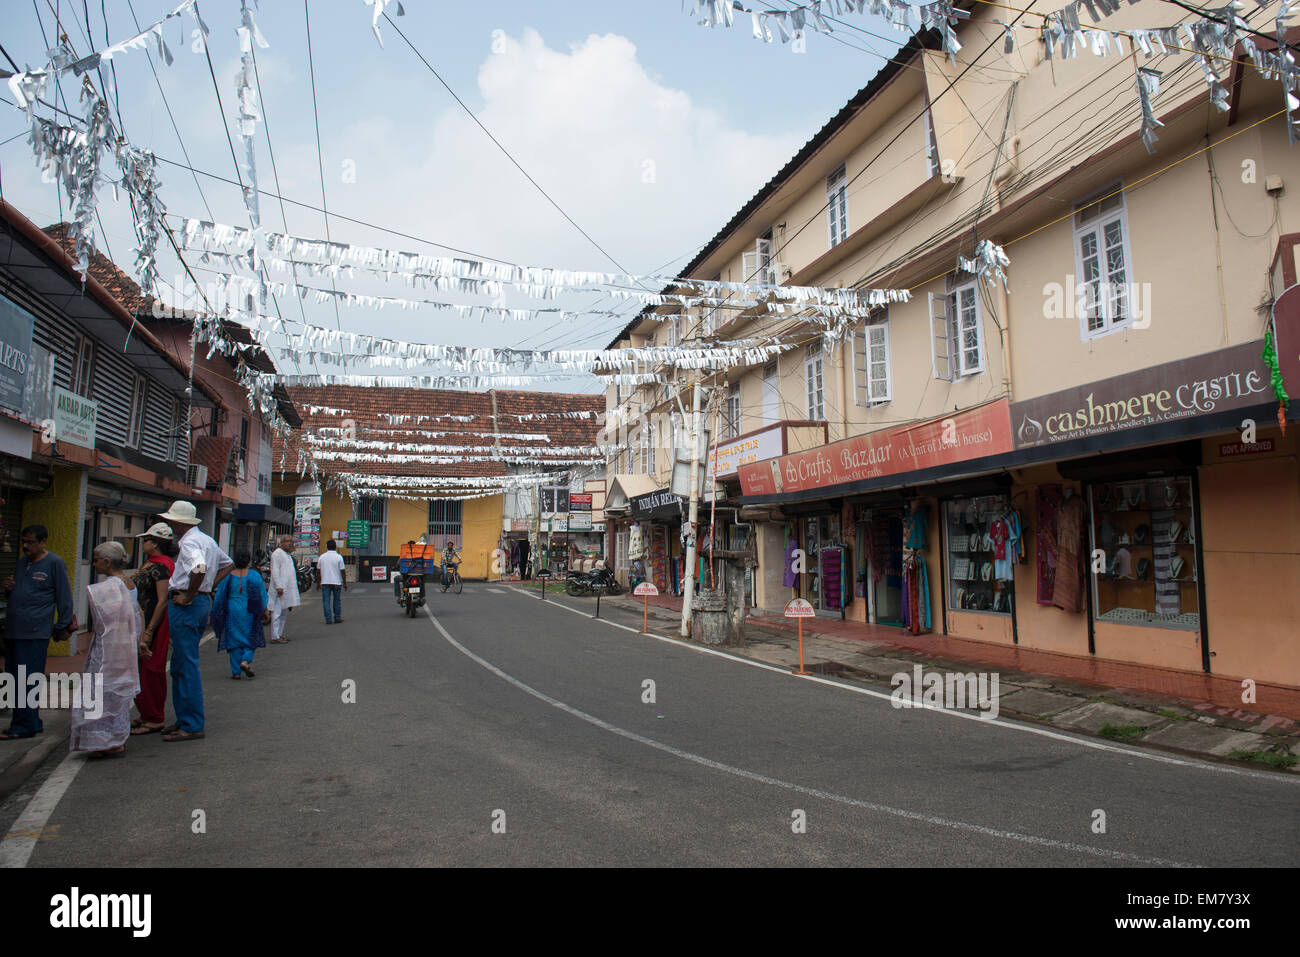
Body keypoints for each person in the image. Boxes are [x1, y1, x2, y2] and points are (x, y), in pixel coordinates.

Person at [161, 500, 232, 743]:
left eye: (171, 520)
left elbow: (199, 567)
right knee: (181, 663)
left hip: (188, 604)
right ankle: (185, 719)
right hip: (200, 602)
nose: (169, 523)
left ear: (180, 522)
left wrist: (190, 594)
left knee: (186, 664)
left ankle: (191, 723)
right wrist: (207, 587)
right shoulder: (206, 540)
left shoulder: (190, 542)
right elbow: (227, 563)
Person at [1, 525, 75, 740]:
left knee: (27, 680)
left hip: (34, 632)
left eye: (31, 542)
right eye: (24, 541)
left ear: (43, 542)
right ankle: (30, 721)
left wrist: (62, 626)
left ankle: (23, 726)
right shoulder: (22, 563)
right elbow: (18, 593)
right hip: (14, 629)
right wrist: (8, 589)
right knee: (14, 679)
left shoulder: (54, 563)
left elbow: (64, 597)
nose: (26, 546)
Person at [70, 542, 141, 759]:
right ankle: (115, 740)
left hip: (108, 647)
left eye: (96, 558)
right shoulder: (129, 583)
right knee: (115, 694)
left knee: (99, 691)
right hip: (125, 646)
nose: (94, 563)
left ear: (107, 562)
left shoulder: (108, 587)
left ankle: (98, 742)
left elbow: (103, 622)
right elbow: (137, 613)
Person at [130, 524, 177, 735]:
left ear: (156, 543)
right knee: (140, 670)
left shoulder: (161, 568)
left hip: (152, 624)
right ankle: (146, 713)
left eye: (146, 539)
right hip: (142, 622)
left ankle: (155, 717)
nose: (143, 543)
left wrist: (149, 631)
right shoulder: (151, 564)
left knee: (150, 671)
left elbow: (161, 601)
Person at [212, 551, 268, 680]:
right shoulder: (254, 575)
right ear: (248, 561)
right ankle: (245, 660)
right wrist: (264, 610)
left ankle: (236, 672)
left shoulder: (228, 577)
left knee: (233, 639)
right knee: (251, 637)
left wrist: (216, 612)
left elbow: (219, 596)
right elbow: (262, 595)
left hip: (232, 611)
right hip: (249, 611)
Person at [267, 534, 300, 643]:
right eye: (287, 541)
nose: (289, 543)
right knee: (276, 613)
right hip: (280, 589)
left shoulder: (287, 555)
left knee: (283, 613)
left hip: (287, 588)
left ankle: (279, 634)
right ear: (281, 543)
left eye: (291, 541)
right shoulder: (277, 554)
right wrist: (279, 586)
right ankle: (275, 636)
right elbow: (275, 571)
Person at [317, 539, 347, 624]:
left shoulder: (322, 557)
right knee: (336, 600)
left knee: (326, 601)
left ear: (327, 547)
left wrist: (318, 583)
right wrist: (344, 582)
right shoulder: (339, 557)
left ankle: (328, 619)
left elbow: (318, 571)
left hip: (325, 582)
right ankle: (337, 617)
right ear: (335, 546)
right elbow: (343, 571)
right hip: (336, 582)